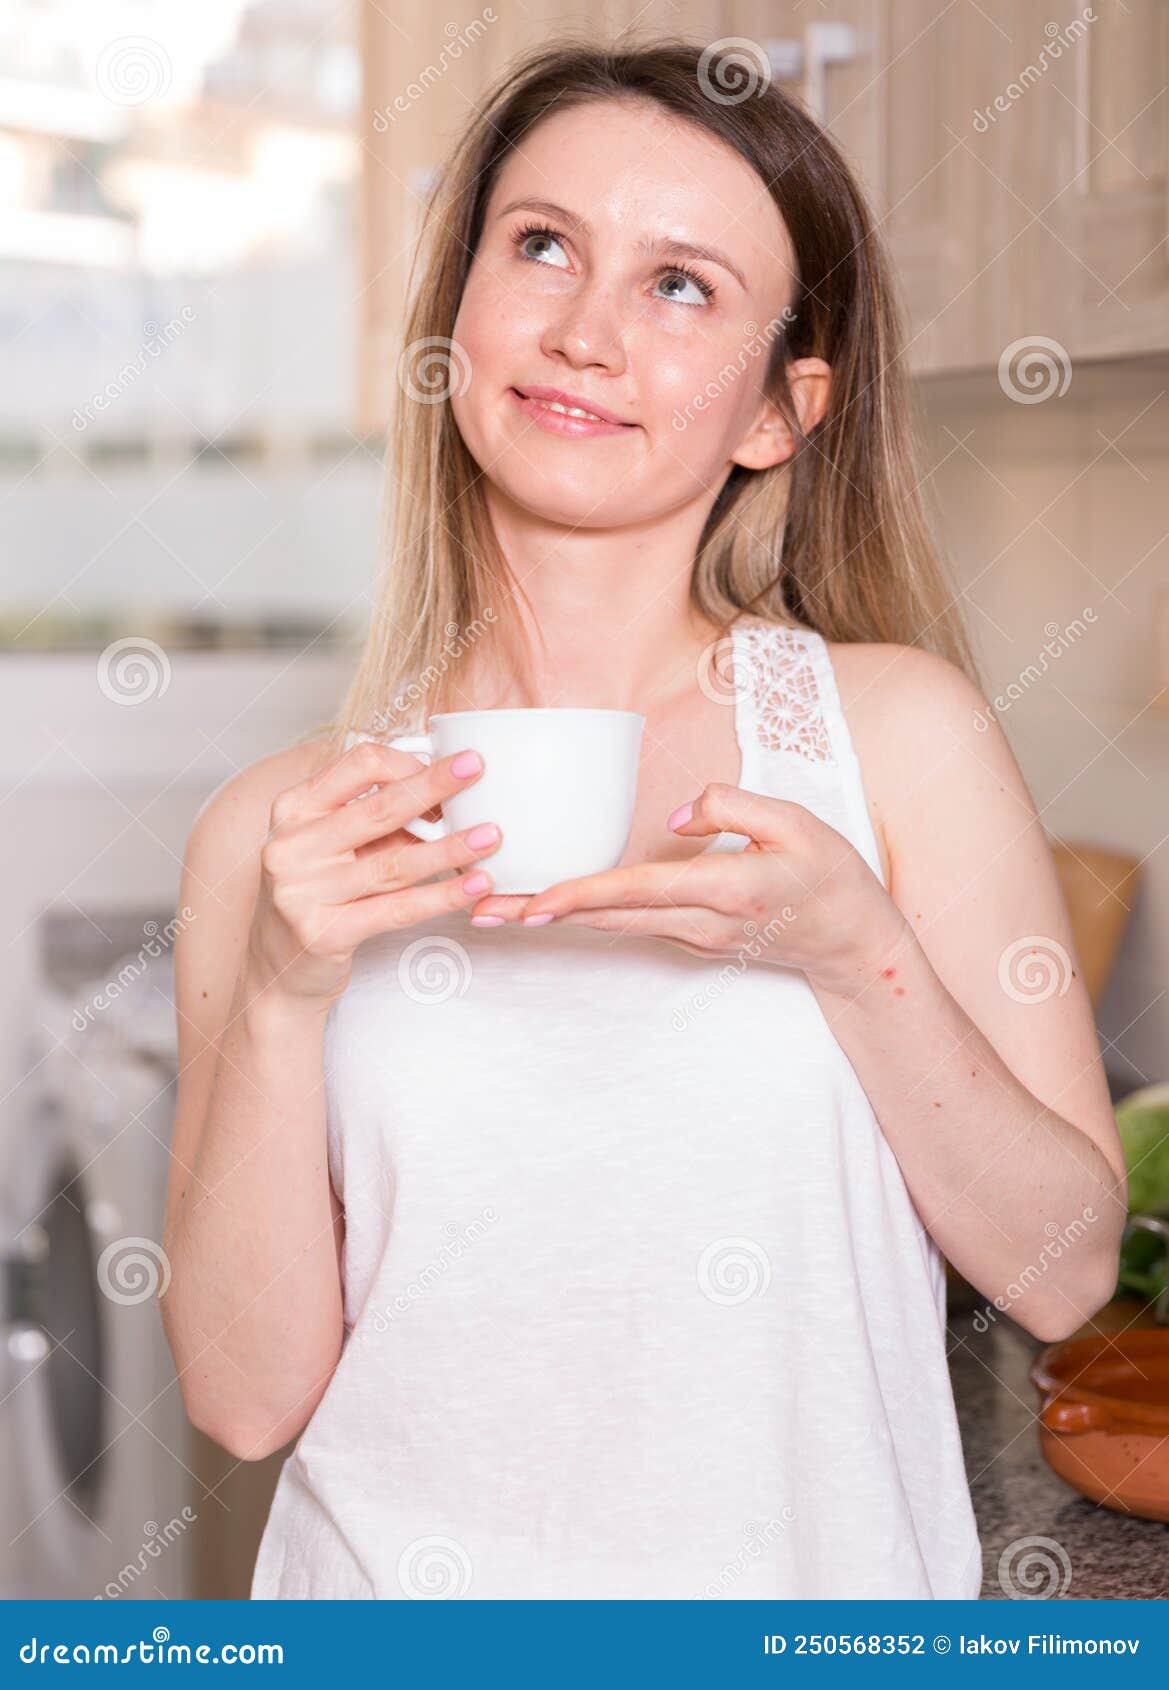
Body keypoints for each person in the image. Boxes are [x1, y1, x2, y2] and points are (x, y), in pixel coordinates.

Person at [159, 36, 1127, 1600]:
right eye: (540, 246)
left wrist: (852, 951)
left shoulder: (890, 738)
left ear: (777, 408)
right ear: (456, 314)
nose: (583, 331)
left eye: (679, 285)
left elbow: (1065, 1267)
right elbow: (244, 1394)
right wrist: (279, 999)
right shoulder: (277, 833)